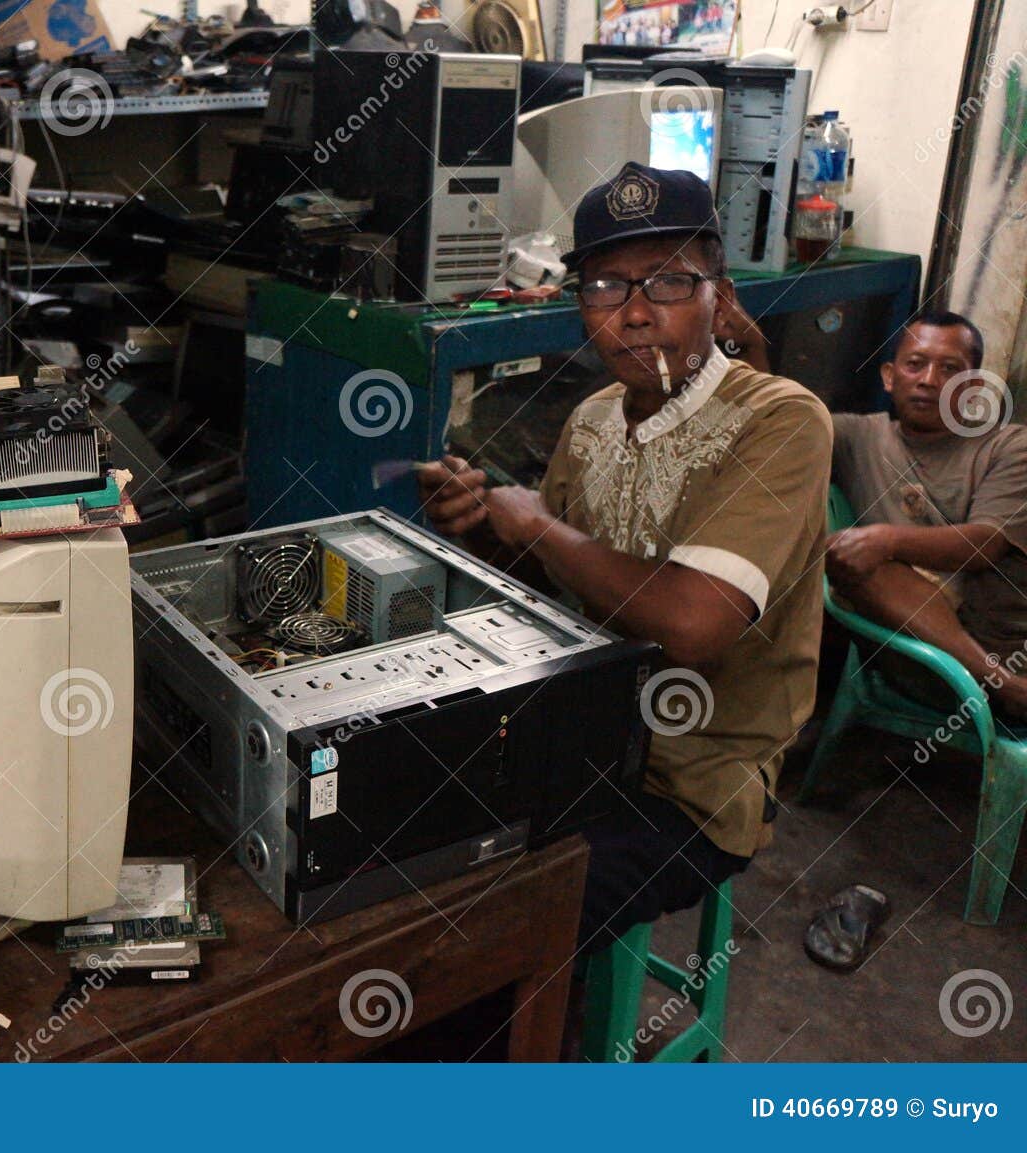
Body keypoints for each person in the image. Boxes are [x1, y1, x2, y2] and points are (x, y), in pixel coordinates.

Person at [420, 162, 832, 950]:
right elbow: (557, 591)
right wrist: (483, 527)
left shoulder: (781, 421)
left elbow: (693, 624)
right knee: (398, 860)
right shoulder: (592, 418)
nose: (637, 315)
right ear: (582, 308)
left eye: (670, 283)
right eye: (608, 286)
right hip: (574, 738)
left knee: (489, 926)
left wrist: (538, 525)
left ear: (723, 294)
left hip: (691, 785)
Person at [826, 309, 1027, 719]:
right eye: (915, 364)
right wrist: (753, 346)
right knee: (846, 555)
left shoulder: (1009, 446)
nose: (929, 380)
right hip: (929, 661)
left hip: (1009, 639)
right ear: (889, 375)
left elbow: (985, 543)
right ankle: (1004, 687)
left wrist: (890, 539)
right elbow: (780, 425)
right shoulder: (857, 437)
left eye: (949, 369)